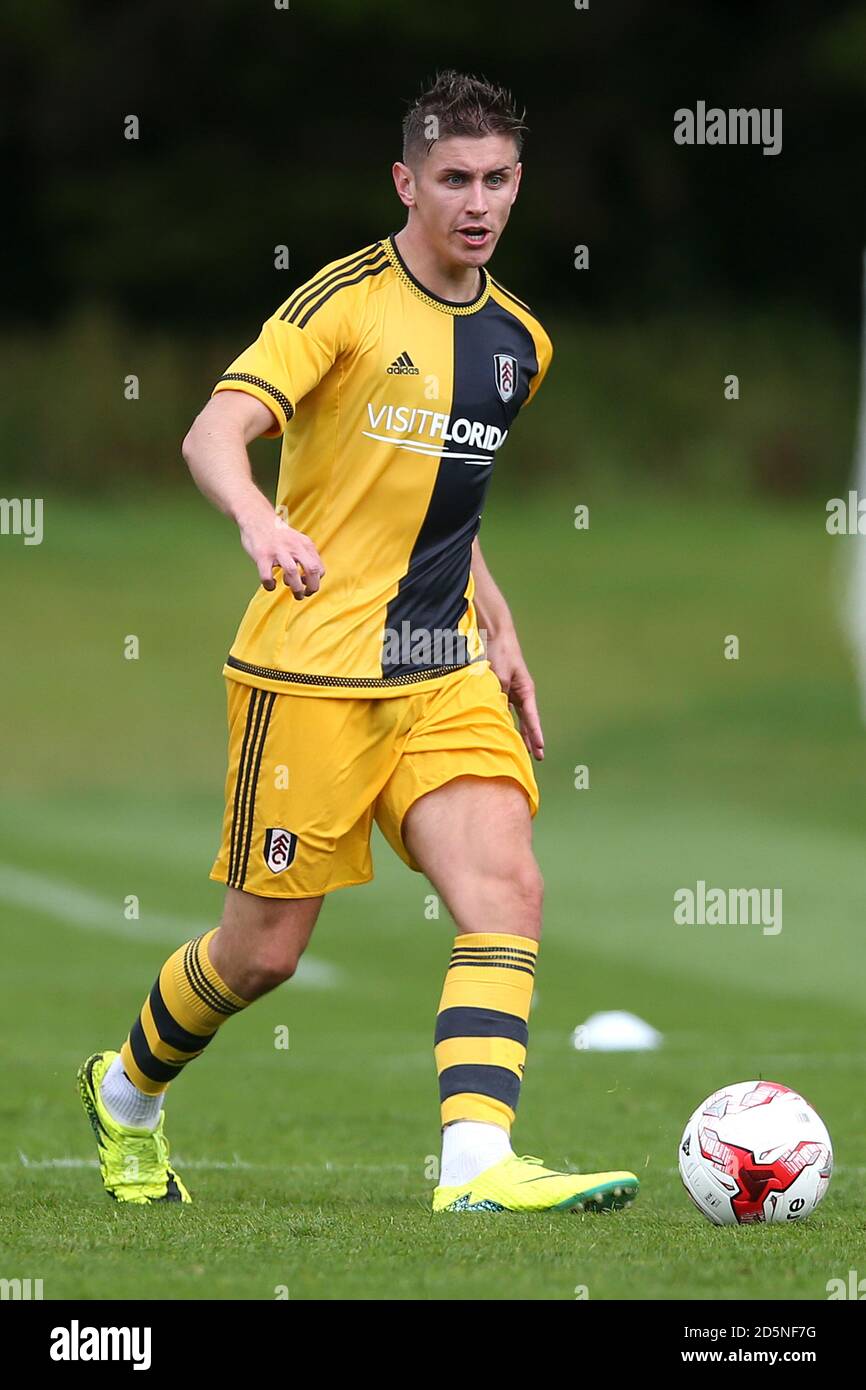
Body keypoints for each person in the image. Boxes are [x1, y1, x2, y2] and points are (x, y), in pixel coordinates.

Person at [79, 69, 638, 1215]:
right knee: (261, 955)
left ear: (517, 184)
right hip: (310, 672)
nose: (474, 202)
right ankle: (126, 1089)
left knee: (506, 887)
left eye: (493, 180)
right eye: (450, 179)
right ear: (405, 181)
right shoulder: (338, 302)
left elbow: (440, 500)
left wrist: (498, 613)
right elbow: (211, 432)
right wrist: (257, 515)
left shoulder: (518, 341)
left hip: (441, 669)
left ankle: (475, 1168)